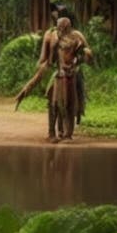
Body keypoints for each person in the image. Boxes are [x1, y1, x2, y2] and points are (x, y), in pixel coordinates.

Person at [15, 14, 93, 142]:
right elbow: (44, 59)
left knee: (71, 104)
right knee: (53, 103)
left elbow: (87, 53)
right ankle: (52, 133)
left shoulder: (77, 36)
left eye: (64, 26)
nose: (61, 28)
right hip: (58, 73)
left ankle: (67, 134)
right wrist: (41, 70)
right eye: (59, 26)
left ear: (69, 26)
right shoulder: (51, 36)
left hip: (72, 74)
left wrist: (83, 57)